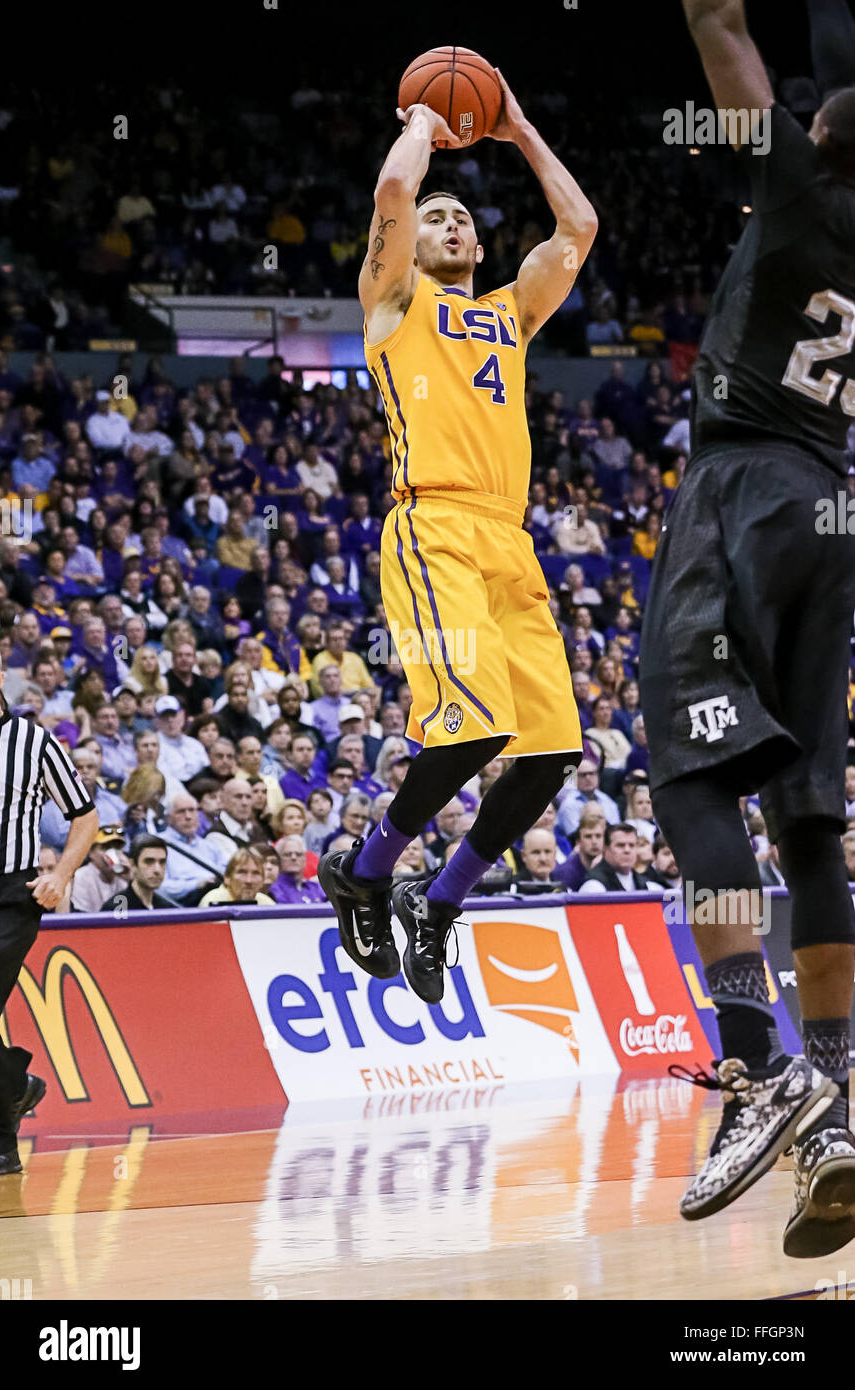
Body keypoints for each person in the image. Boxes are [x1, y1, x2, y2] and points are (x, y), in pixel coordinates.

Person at [638, 0, 855, 1251]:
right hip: (832, 508)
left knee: (689, 778)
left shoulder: (796, 177)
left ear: (818, 130)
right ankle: (834, 1113)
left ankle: (755, 1061)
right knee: (809, 822)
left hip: (744, 490)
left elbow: (714, 13)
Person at [318, 71, 596, 1005]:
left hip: (508, 540)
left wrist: (518, 128)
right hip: (431, 524)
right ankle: (365, 867)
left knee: (552, 749)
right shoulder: (392, 299)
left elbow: (578, 226)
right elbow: (395, 190)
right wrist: (424, 123)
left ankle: (438, 902)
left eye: (462, 219)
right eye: (437, 218)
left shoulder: (509, 312)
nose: (449, 224)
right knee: (474, 722)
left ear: (478, 245)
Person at [0, 643, 98, 1175]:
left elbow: (84, 815)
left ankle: (2, 1126)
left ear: (1, 676)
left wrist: (62, 873)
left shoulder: (32, 741)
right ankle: (13, 1091)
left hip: (11, 893)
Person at [101, 835, 173, 912]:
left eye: (162, 862)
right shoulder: (114, 909)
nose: (157, 870)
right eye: (149, 861)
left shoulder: (168, 908)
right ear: (132, 864)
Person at [71, 825, 130, 913]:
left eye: (117, 848)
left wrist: (131, 880)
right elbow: (82, 915)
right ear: (91, 852)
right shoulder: (81, 877)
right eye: (105, 848)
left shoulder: (125, 876)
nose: (113, 853)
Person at [198, 846, 274, 906]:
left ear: (262, 880)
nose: (249, 880)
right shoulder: (213, 901)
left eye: (255, 873)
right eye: (242, 872)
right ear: (227, 878)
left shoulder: (266, 903)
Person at [553, 810, 605, 890]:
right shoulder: (565, 873)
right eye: (588, 836)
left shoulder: (613, 866)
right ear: (578, 842)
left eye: (598, 836)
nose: (594, 841)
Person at [269, 835, 328, 904]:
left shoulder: (315, 887)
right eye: (287, 854)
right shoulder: (273, 889)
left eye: (299, 854)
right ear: (278, 859)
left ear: (305, 859)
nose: (294, 857)